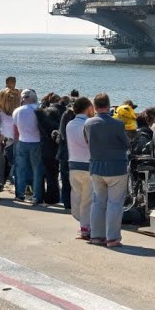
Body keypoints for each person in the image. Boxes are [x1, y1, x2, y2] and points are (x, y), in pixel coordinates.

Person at [83, 93, 131, 247]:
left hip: (96, 167)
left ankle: (96, 235)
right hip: (116, 167)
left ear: (94, 107)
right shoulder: (117, 124)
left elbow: (86, 141)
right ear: (109, 105)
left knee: (98, 202)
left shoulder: (88, 123)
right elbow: (126, 144)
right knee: (114, 204)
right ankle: (112, 238)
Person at [65, 96, 95, 240]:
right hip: (88, 165)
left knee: (77, 196)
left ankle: (81, 222)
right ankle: (85, 227)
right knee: (87, 199)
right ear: (88, 108)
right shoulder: (89, 124)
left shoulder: (70, 124)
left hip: (73, 164)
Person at [11, 89, 43, 204]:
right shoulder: (38, 110)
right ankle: (36, 196)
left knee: (21, 169)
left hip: (22, 141)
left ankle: (20, 194)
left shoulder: (17, 111)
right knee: (37, 170)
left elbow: (15, 129)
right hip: (36, 141)